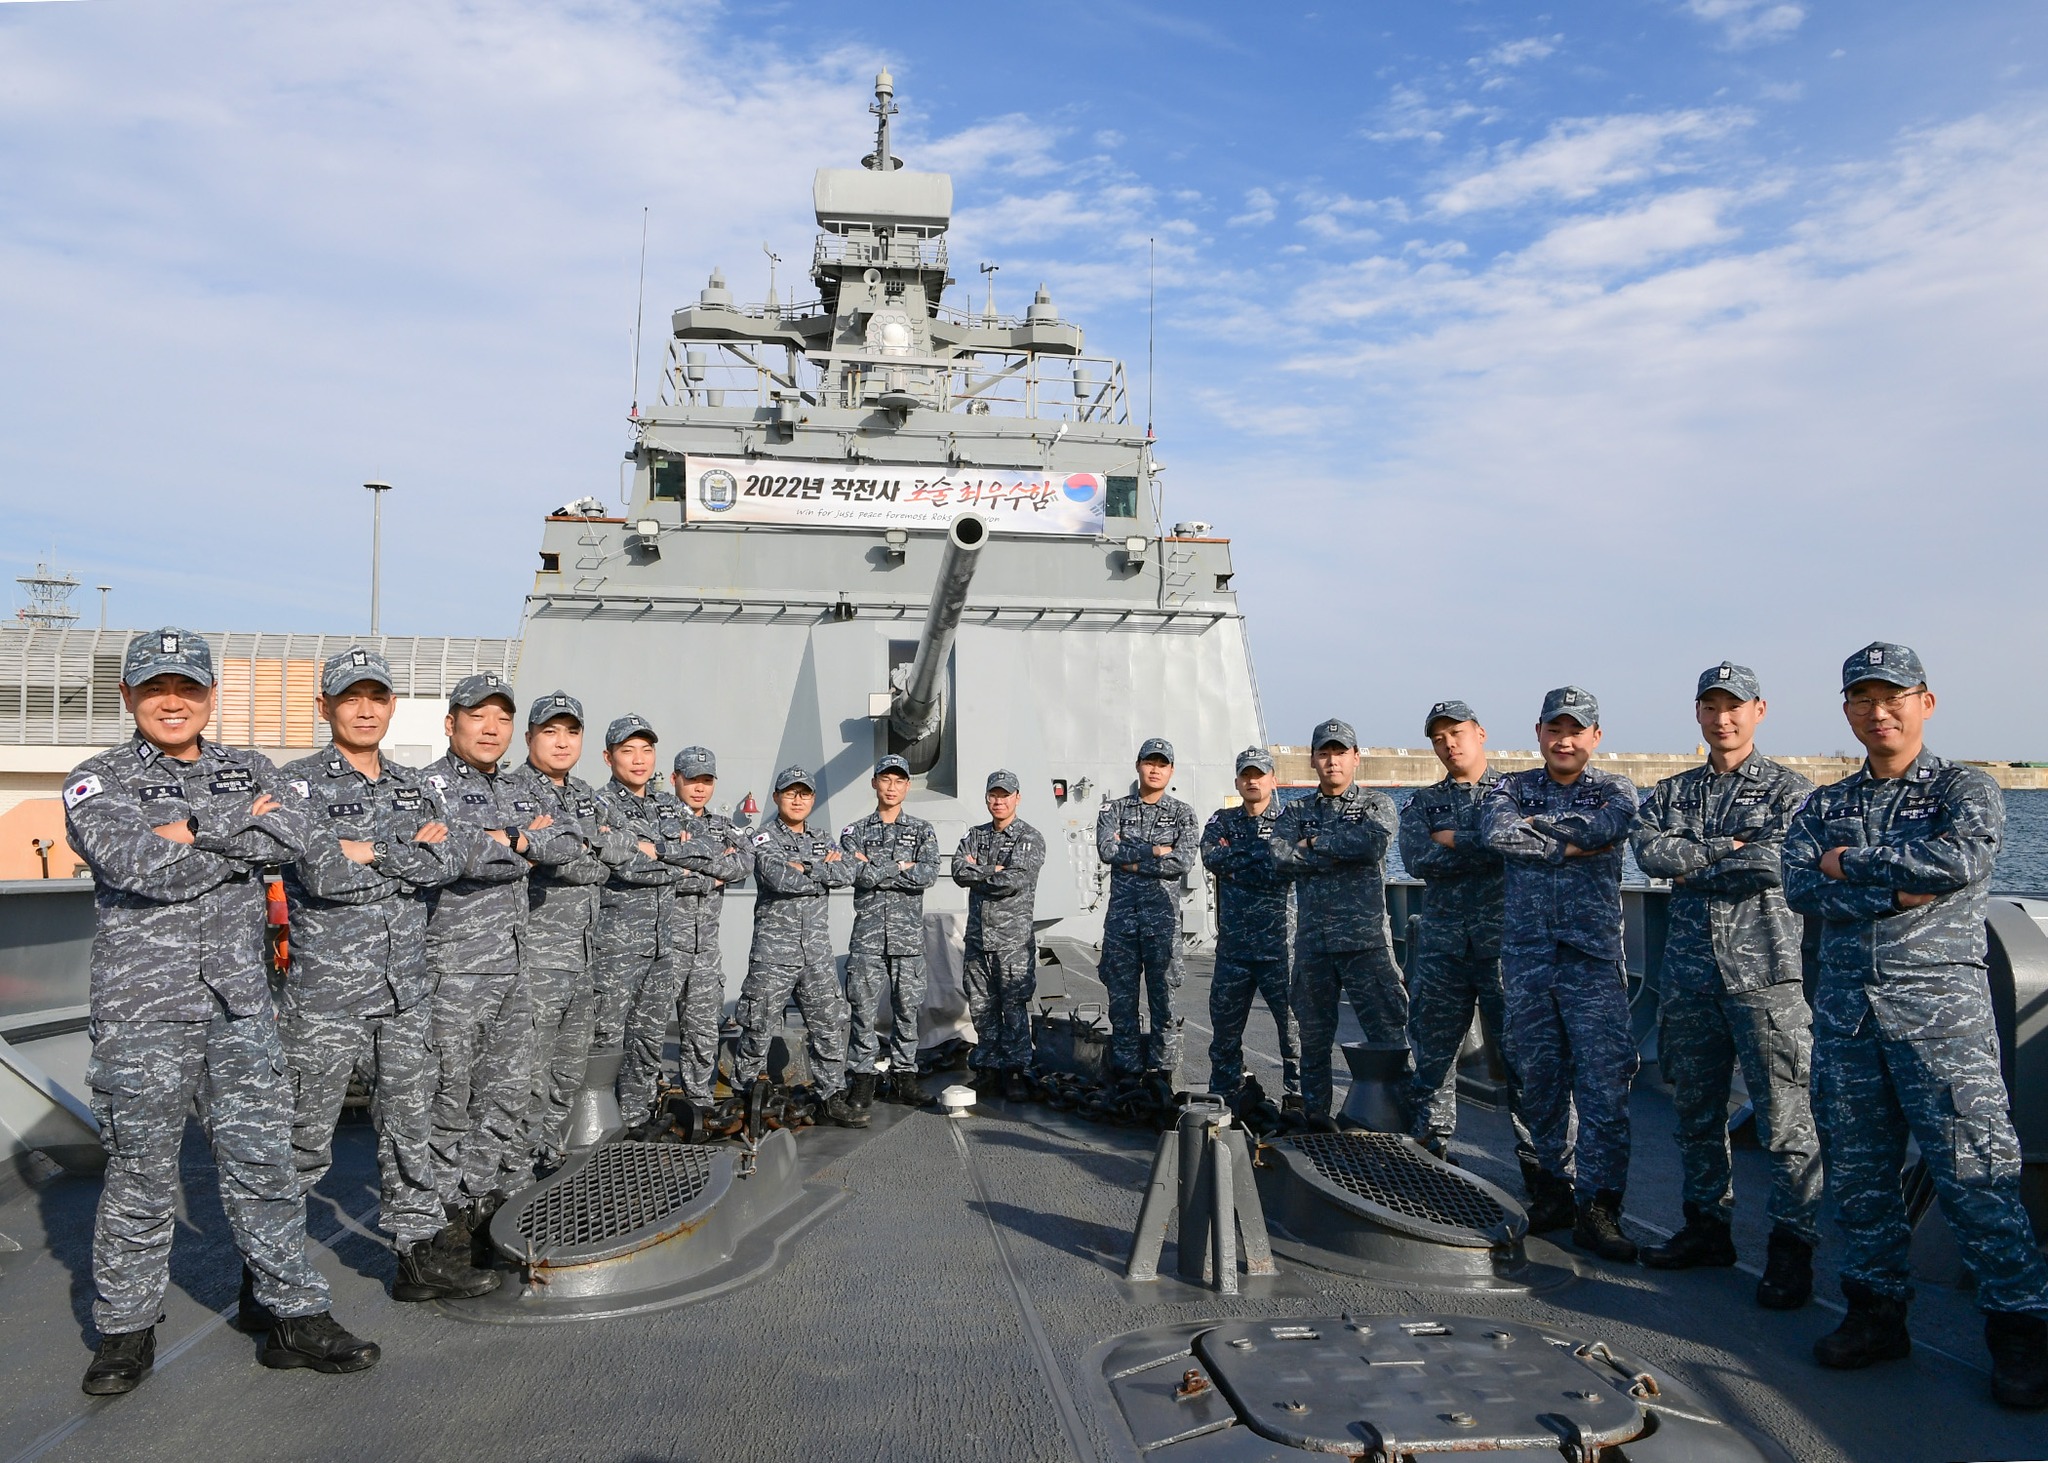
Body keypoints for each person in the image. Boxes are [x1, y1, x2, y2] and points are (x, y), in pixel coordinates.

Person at [64, 628, 377, 1396]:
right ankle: (124, 1330)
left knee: (265, 1165)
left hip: (240, 1005)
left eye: (188, 687)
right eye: (154, 687)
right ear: (127, 696)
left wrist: (190, 831)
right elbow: (135, 864)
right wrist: (239, 831)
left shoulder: (253, 767)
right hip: (146, 1010)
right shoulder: (95, 779)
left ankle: (291, 1316)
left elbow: (300, 837)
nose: (172, 701)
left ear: (210, 696)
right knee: (141, 1172)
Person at [1784, 642, 2048, 1408]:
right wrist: (1888, 885)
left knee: (1974, 1169)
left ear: (1925, 702)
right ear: (1847, 711)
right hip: (1847, 1014)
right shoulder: (1822, 804)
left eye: (1893, 695)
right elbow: (1801, 883)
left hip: (1942, 1017)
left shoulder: (1967, 788)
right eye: (1862, 698)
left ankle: (2021, 1327)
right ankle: (1875, 1313)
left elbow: (1958, 862)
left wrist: (1850, 865)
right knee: (1862, 1175)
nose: (1879, 710)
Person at [277, 647, 498, 1311]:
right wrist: (401, 851)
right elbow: (317, 870)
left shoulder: (417, 785)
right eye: (350, 698)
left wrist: (366, 851)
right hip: (325, 1000)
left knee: (411, 1129)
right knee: (301, 1144)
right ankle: (270, 1274)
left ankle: (419, 1255)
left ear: (392, 705)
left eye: (376, 696)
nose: (365, 708)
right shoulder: (297, 787)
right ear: (326, 708)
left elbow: (454, 856)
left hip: (404, 992)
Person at [1632, 663, 1821, 1309]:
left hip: (1765, 976)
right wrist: (1726, 846)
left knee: (1785, 1119)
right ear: (1698, 713)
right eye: (1711, 706)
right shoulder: (1670, 792)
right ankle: (1706, 1227)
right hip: (1689, 977)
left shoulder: (1790, 791)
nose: (1723, 717)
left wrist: (1698, 858)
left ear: (1759, 711)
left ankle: (1793, 1248)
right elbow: (1651, 854)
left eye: (1735, 706)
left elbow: (1773, 861)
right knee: (1695, 1111)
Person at [1478, 686, 1641, 1261]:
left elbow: (1611, 826)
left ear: (1595, 736)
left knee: (1602, 1087)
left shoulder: (1614, 788)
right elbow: (1495, 832)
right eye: (1555, 728)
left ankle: (1600, 1206)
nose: (1564, 739)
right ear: (1539, 731)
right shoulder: (1511, 786)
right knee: (1538, 1079)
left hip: (1591, 960)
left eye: (1576, 729)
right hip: (1527, 958)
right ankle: (1553, 1186)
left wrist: (1540, 836)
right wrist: (1569, 845)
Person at [421, 671, 547, 1239]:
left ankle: (479, 1204)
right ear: (451, 724)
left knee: (506, 1094)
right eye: (478, 716)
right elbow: (445, 854)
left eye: (502, 718)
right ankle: (442, 1216)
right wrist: (519, 844)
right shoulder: (424, 788)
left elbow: (565, 843)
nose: (491, 728)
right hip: (454, 970)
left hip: (516, 966)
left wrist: (509, 842)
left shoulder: (522, 788)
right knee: (448, 1099)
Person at [1398, 701, 1535, 1185]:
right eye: (1439, 737)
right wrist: (1483, 846)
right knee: (1432, 1057)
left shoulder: (1517, 794)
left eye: (1457, 732)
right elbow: (1417, 859)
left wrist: (1455, 840)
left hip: (1505, 947)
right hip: (1442, 949)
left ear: (1480, 733)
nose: (1449, 744)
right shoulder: (1421, 804)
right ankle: (1430, 1160)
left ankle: (1544, 1176)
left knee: (1522, 1057)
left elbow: (1518, 843)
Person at [506, 693, 635, 1168]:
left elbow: (625, 848)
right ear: (530, 737)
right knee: (530, 1076)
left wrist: (573, 844)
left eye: (572, 732)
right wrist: (585, 850)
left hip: (584, 956)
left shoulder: (586, 794)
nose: (562, 742)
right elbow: (556, 861)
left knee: (568, 1072)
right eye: (551, 732)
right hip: (537, 958)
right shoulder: (513, 791)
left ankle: (550, 1157)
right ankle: (516, 1172)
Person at [1267, 718, 1404, 1125]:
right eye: (1324, 753)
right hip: (1314, 946)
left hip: (1366, 945)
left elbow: (1372, 843)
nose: (1332, 761)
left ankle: (1396, 1123)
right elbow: (1278, 854)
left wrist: (1313, 844)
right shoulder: (1296, 810)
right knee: (1313, 1042)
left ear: (1355, 758)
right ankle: (1315, 1121)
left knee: (1389, 1039)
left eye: (1340, 752)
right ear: (1313, 760)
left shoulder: (1376, 805)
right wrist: (1334, 849)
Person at [736, 766, 862, 1126]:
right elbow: (777, 876)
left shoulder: (822, 836)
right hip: (774, 954)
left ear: (813, 799)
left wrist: (804, 865)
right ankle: (747, 1095)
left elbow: (848, 872)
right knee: (758, 1024)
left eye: (804, 793)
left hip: (816, 953)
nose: (797, 799)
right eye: (790, 793)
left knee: (828, 1024)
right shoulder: (763, 838)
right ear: (777, 797)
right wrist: (820, 868)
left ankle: (830, 1095)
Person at [592, 715, 692, 1135]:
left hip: (661, 944)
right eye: (627, 750)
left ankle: (635, 1121)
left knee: (649, 1039)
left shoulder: (670, 804)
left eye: (646, 750)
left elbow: (701, 851)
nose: (638, 759)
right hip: (616, 946)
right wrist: (672, 860)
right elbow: (620, 864)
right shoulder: (598, 805)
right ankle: (598, 1127)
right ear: (608, 756)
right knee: (605, 1039)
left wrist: (655, 851)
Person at [1198, 747, 1302, 1109]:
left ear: (1273, 779)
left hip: (1280, 947)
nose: (1252, 780)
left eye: (1259, 774)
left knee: (1294, 1033)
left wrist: (1241, 855)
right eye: (1246, 775)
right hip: (1235, 950)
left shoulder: (1292, 820)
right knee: (1224, 1032)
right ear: (1238, 781)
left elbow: (1288, 864)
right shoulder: (1222, 821)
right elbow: (1212, 857)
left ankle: (1297, 1100)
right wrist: (1264, 851)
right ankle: (1225, 1094)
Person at [1094, 737, 1200, 1078]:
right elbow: (1107, 851)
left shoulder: (1182, 813)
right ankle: (1126, 1076)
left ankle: (1162, 1076)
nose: (1155, 769)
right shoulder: (1113, 811)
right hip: (1122, 925)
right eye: (1149, 762)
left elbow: (1181, 862)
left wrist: (1135, 860)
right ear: (1138, 765)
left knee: (1164, 1005)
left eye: (1162, 764)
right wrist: (1156, 851)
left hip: (1162, 926)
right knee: (1121, 1005)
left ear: (1171, 770)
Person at [840, 754, 940, 1109]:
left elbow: (926, 875)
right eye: (886, 779)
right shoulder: (854, 833)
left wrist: (878, 865)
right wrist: (901, 866)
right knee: (862, 1010)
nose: (892, 787)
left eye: (899, 781)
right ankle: (863, 1078)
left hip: (907, 938)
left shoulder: (923, 830)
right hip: (867, 936)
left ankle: (904, 1077)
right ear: (875, 783)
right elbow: (857, 875)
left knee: (907, 1010)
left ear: (907, 786)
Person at [666, 746, 750, 1109]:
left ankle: (698, 1101)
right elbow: (660, 867)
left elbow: (745, 861)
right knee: (649, 1031)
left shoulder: (723, 826)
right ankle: (642, 1106)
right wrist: (712, 874)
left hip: (705, 950)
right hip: (666, 944)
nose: (699, 788)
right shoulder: (661, 822)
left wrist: (692, 866)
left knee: (702, 1030)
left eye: (706, 780)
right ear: (675, 779)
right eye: (691, 779)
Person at [954, 770, 1048, 1096]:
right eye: (993, 795)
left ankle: (1017, 1069)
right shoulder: (975, 836)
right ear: (986, 798)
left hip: (1012, 941)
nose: (999, 800)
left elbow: (1014, 880)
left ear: (1017, 798)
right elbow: (957, 870)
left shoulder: (1030, 838)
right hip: (979, 939)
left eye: (1005, 795)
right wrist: (991, 870)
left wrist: (978, 871)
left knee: (1014, 1007)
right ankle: (988, 1068)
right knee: (981, 1008)